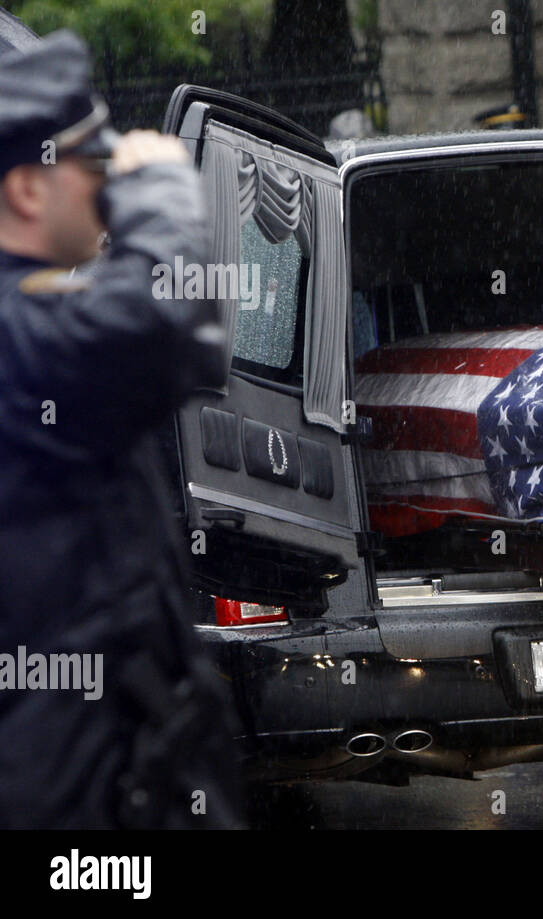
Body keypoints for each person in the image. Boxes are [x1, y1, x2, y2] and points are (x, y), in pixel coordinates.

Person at [0, 31, 244, 827]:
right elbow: (165, 322)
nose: (109, 190)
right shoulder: (19, 335)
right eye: (93, 167)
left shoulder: (37, 313)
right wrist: (164, 193)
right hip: (69, 791)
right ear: (29, 191)